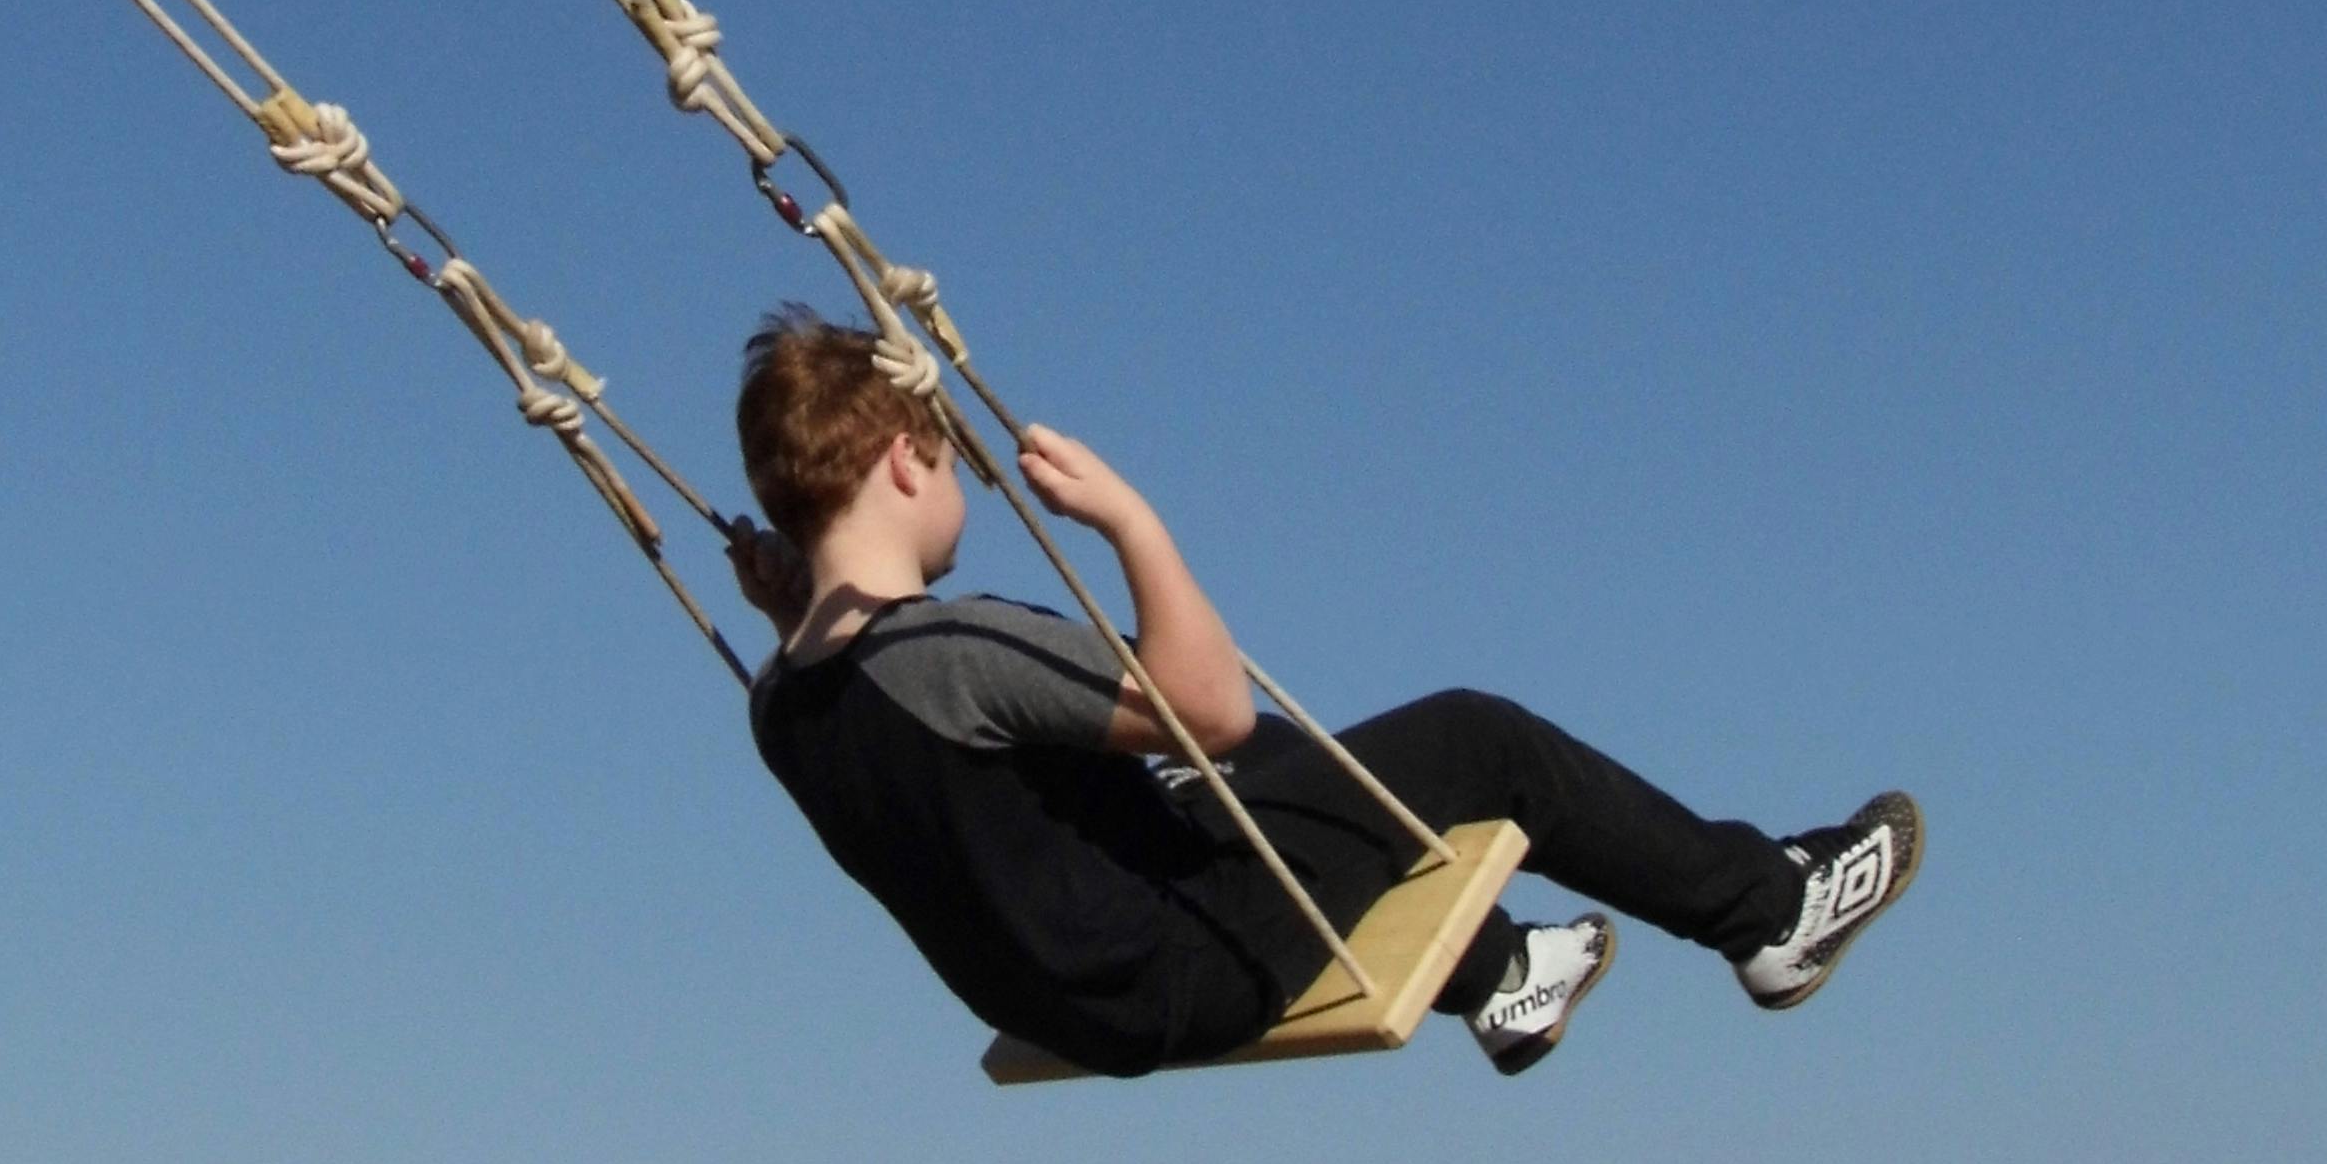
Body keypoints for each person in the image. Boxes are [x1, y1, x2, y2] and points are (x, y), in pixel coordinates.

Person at [729, 308, 1920, 1083]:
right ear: (905, 462)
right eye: (947, 460)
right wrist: (1130, 520)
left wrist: (794, 615)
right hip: (1181, 966)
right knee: (1477, 738)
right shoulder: (954, 651)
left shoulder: (784, 703)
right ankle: (1770, 914)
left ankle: (1504, 977)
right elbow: (1211, 705)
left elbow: (879, 724)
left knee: (1274, 770)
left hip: (1073, 995)